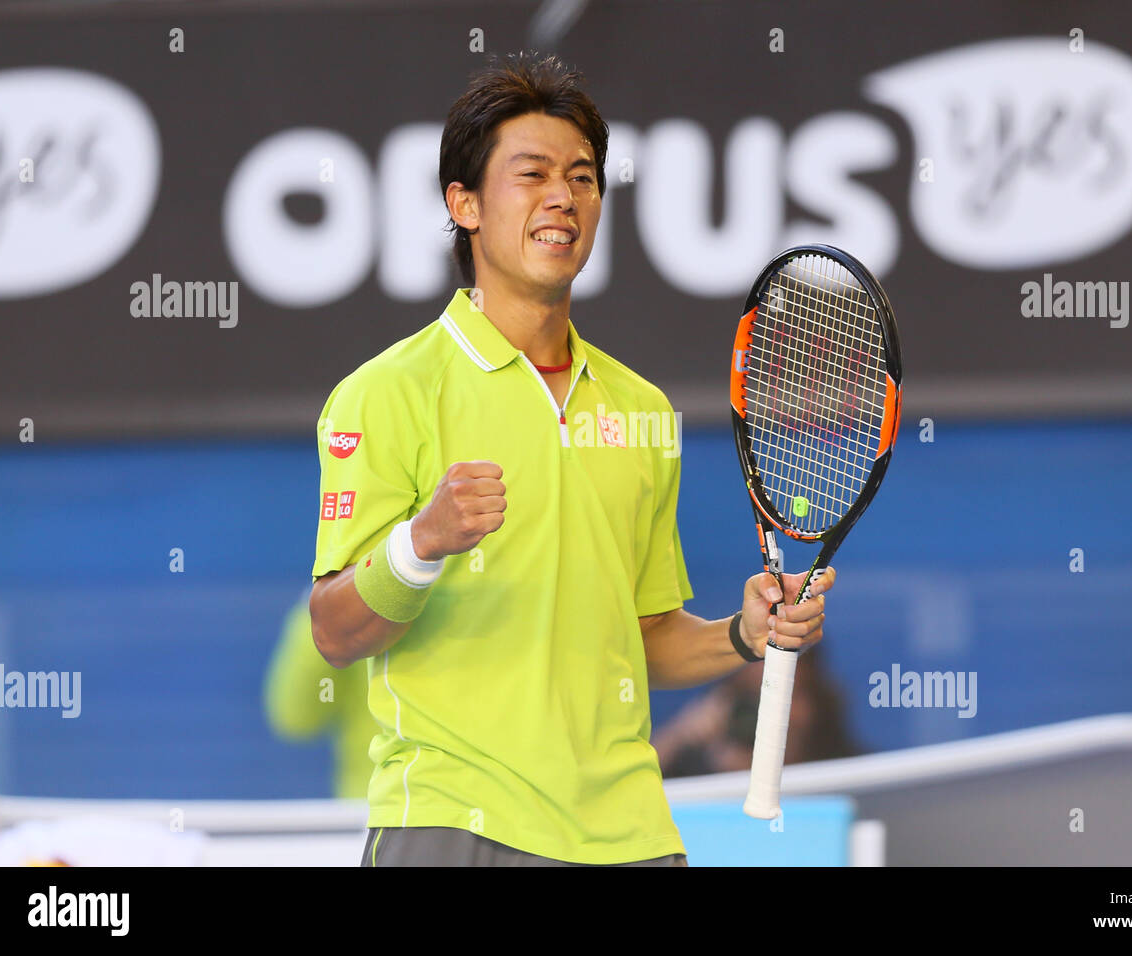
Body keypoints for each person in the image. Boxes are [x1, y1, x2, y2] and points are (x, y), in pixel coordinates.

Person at [307, 51, 838, 867]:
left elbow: (645, 637)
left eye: (583, 177)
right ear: (465, 203)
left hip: (629, 839)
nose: (564, 196)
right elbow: (336, 632)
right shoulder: (384, 394)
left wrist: (743, 633)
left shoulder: (643, 411)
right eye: (533, 174)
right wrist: (423, 542)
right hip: (456, 823)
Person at [653, 646, 866, 778]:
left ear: (815, 701)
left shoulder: (850, 772)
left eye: (786, 692)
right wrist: (680, 734)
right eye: (755, 695)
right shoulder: (699, 773)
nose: (770, 711)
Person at [262, 589, 372, 799]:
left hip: (379, 809)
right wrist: (322, 611)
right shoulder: (360, 597)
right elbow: (296, 718)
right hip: (369, 811)